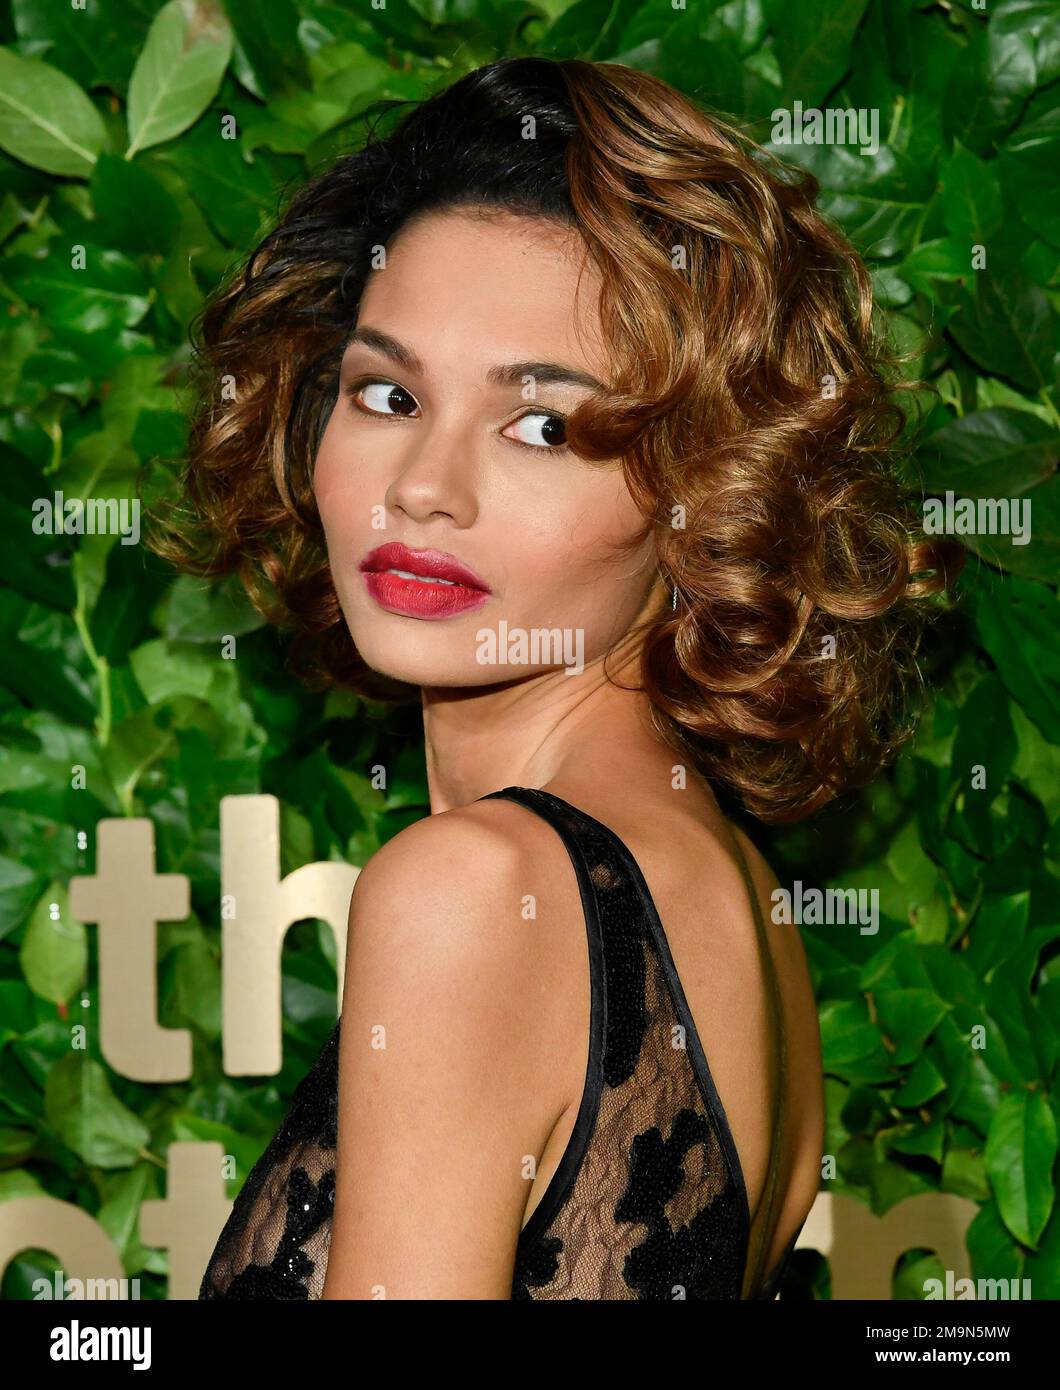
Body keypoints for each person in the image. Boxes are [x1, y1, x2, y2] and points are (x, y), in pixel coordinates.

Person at [147, 55, 963, 1300]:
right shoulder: (731, 894)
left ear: (704, 485)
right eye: (386, 390)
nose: (424, 485)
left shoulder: (474, 894)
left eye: (542, 425)